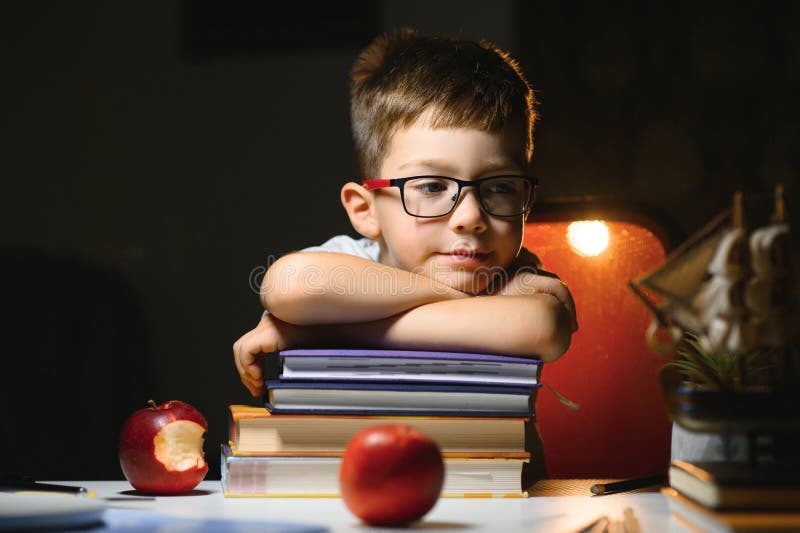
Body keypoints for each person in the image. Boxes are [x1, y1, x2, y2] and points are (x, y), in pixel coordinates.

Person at [233, 29, 578, 399]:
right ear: (366, 211)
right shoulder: (349, 263)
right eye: (431, 187)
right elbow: (287, 285)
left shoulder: (510, 272)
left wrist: (318, 331)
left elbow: (543, 327)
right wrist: (471, 304)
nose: (470, 217)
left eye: (500, 187)